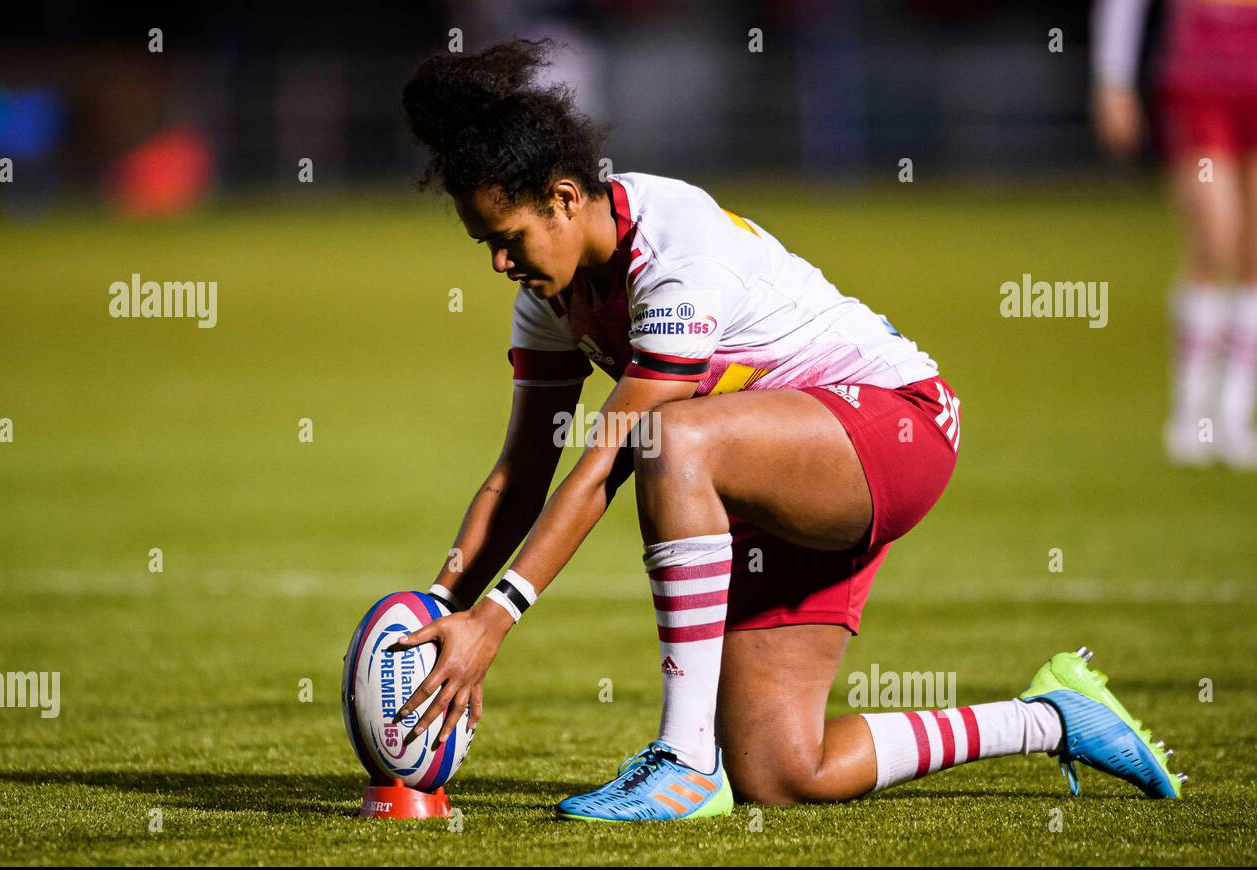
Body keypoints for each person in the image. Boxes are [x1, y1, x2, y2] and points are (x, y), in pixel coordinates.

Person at [392, 39, 1183, 821]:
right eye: (485, 245)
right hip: (780, 473)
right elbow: (520, 472)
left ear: (565, 199)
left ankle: (683, 760)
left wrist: (495, 621)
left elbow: (610, 459)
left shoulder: (673, 249)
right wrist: (438, 611)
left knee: (672, 443)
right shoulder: (548, 293)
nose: (498, 264)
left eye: (506, 239)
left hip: (894, 426)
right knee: (782, 770)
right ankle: (1054, 719)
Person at [1092, 0, 1257, 468]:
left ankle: (1233, 418)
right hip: (1201, 81)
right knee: (1214, 241)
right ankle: (1190, 414)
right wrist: (1113, 81)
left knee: (1253, 254)